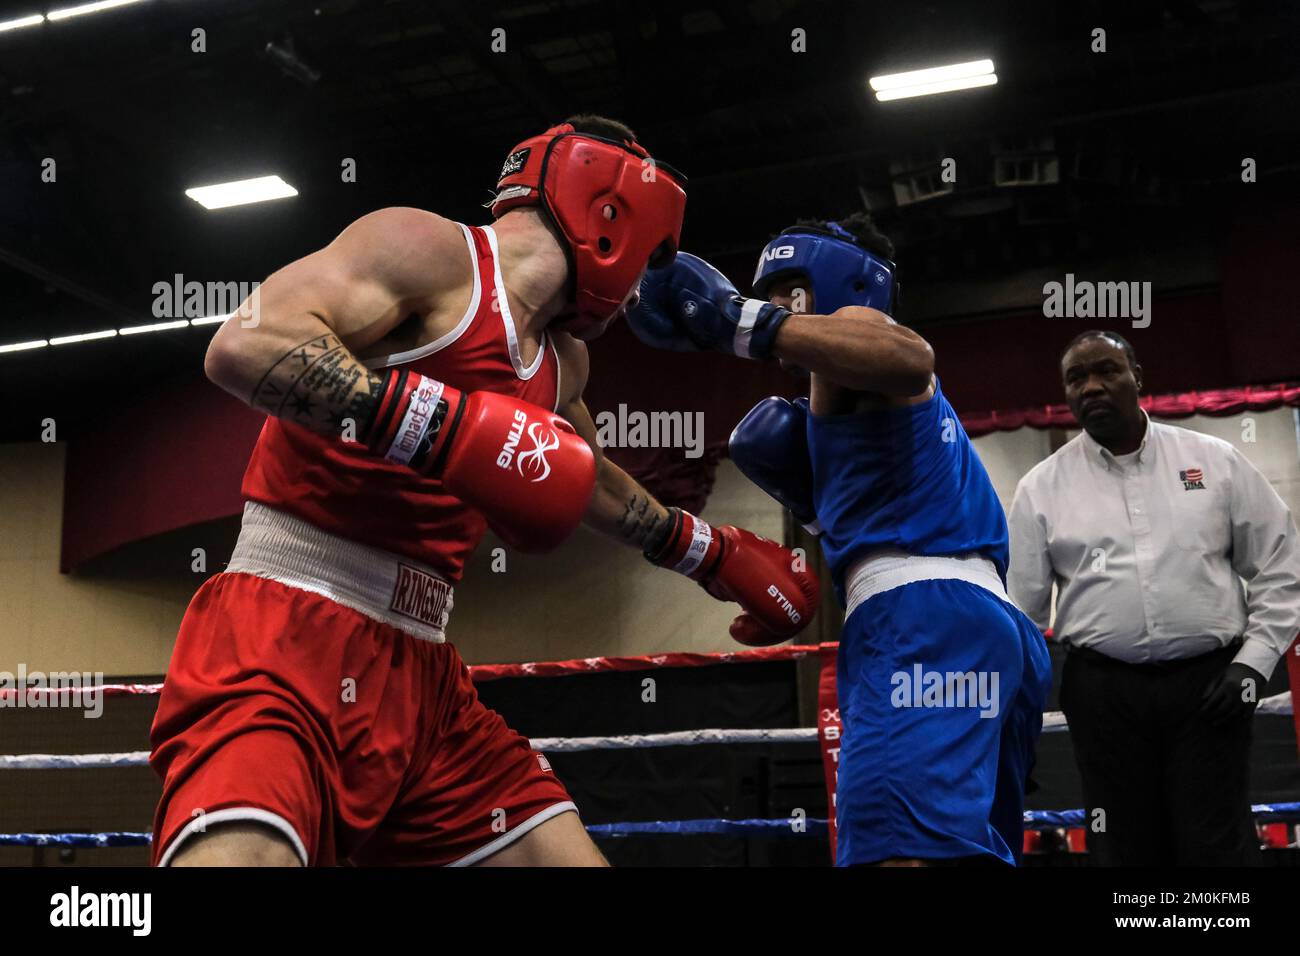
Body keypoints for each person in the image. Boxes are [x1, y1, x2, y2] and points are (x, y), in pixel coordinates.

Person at [150, 115, 820, 867]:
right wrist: (438, 427)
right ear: (612, 220)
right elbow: (244, 343)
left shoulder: (564, 364)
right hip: (285, 632)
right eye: (654, 257)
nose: (643, 289)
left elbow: (578, 475)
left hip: (425, 676)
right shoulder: (428, 251)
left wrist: (709, 553)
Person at [627, 214, 1051, 866]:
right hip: (986, 627)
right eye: (765, 292)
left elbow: (911, 358)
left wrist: (740, 321)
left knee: (896, 850)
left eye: (788, 287)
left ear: (843, 281)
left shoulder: (869, 339)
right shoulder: (839, 407)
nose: (773, 302)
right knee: (965, 851)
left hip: (921, 625)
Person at [1007, 330, 1300, 865]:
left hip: (1212, 683)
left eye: (1106, 371)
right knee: (1122, 845)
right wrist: (1014, 721)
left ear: (1137, 377)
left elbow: (1282, 563)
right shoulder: (1040, 488)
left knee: (1216, 843)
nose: (1092, 386)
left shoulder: (1215, 462)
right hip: (1102, 692)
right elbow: (1020, 617)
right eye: (1077, 378)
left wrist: (1255, 665)